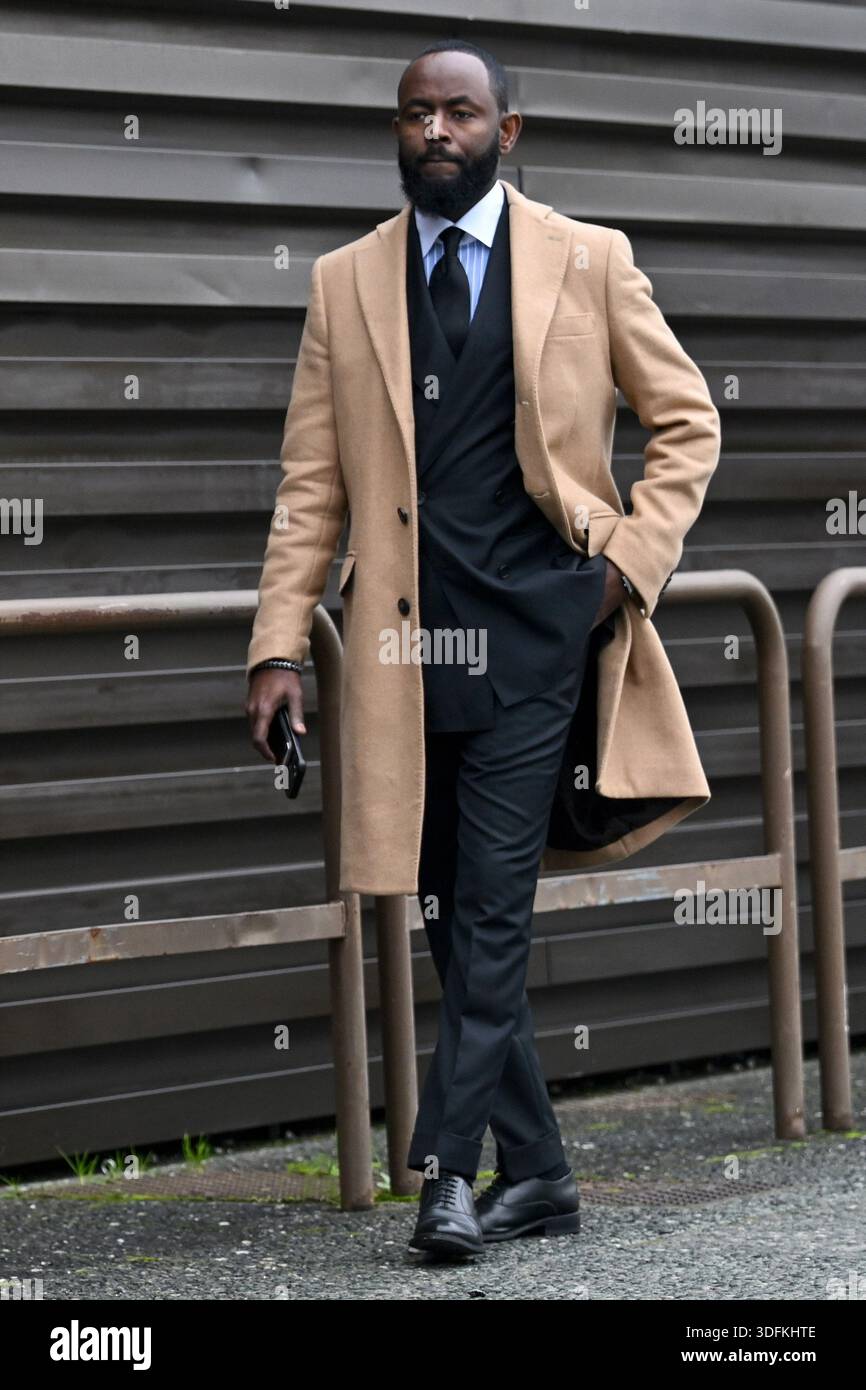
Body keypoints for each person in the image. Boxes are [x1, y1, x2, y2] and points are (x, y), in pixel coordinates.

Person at [246, 39, 721, 1260]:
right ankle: (544, 1176)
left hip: (535, 634)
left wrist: (622, 567)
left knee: (495, 903)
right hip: (409, 651)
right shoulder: (345, 281)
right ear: (397, 132)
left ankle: (447, 1173)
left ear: (507, 132)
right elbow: (310, 491)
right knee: (451, 915)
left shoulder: (587, 258)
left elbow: (685, 420)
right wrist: (278, 647)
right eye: (415, 114)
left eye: (459, 112)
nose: (434, 131)